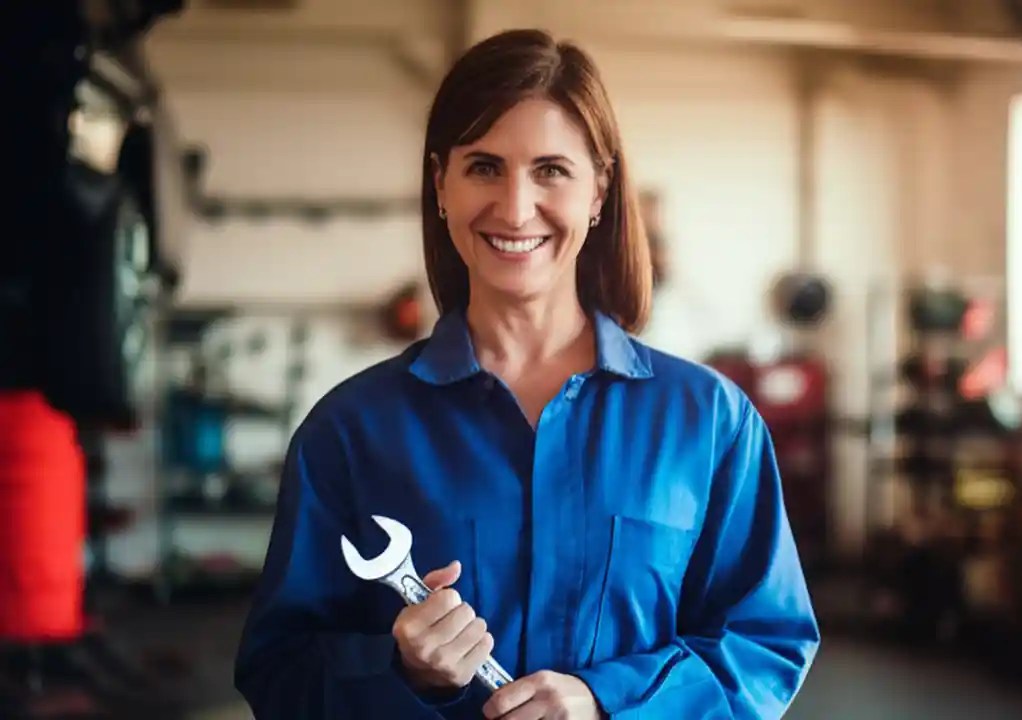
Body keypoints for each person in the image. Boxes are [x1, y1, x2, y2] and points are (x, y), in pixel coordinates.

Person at [234, 28, 820, 719]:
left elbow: (765, 646)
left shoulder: (709, 422)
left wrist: (605, 701)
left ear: (598, 191)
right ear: (440, 186)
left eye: (551, 170)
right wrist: (398, 669)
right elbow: (277, 673)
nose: (515, 208)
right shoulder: (350, 433)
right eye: (484, 166)